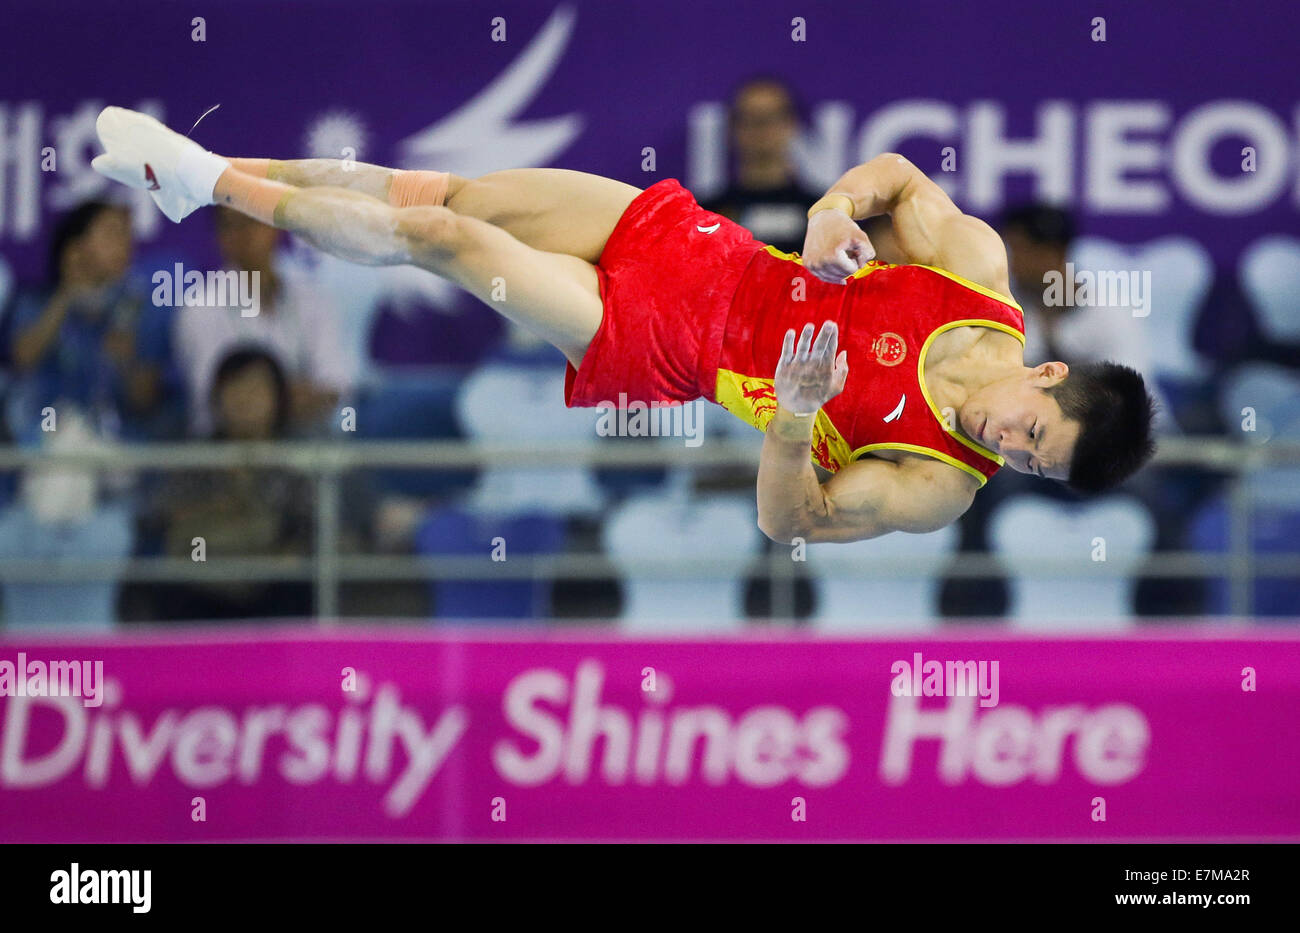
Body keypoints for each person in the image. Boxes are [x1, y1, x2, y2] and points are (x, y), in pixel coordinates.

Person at [91, 106, 1157, 545]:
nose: (1008, 449)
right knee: (450, 200)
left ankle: (212, 180)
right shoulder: (974, 275)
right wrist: (834, 210)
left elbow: (794, 524)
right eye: (1034, 430)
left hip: (665, 344)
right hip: (701, 247)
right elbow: (899, 178)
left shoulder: (935, 485)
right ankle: (206, 179)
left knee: (452, 248)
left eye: (1032, 468)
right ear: (1046, 371)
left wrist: (792, 423)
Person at [172, 205, 354, 437]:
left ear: (274, 226)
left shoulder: (313, 298)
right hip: (228, 451)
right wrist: (283, 399)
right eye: (233, 225)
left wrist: (271, 401)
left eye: (253, 221)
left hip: (303, 445)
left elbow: (336, 387)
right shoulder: (200, 308)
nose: (246, 234)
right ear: (220, 237)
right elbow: (214, 402)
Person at [700, 77, 824, 255]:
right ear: (732, 128)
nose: (761, 129)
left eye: (771, 117)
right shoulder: (708, 214)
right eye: (750, 118)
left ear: (791, 124)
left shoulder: (819, 211)